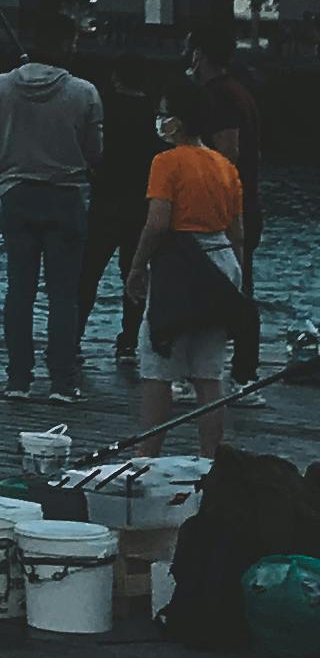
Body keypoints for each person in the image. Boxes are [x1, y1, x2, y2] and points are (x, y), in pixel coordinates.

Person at [0, 22, 105, 403]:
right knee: (63, 296)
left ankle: (18, 380)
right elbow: (95, 153)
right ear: (67, 46)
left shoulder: (1, 85)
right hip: (66, 199)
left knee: (19, 292)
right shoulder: (85, 92)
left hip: (17, 197)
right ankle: (61, 382)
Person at [129, 104, 247, 448]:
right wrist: (235, 286)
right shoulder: (225, 166)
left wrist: (137, 266)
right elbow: (238, 232)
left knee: (158, 366)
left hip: (179, 266)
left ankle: (147, 455)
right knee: (209, 372)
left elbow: (157, 223)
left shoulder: (166, 162)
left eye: (164, 112)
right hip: (222, 260)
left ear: (176, 122)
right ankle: (211, 458)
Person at [80, 54, 159, 369]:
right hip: (140, 205)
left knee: (88, 274)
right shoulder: (152, 113)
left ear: (116, 77)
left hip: (105, 202)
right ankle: (128, 341)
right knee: (134, 273)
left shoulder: (104, 108)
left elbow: (91, 149)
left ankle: (74, 336)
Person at [181, 22, 264, 287]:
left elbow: (228, 152)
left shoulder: (217, 96)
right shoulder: (239, 92)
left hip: (222, 214)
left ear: (198, 55)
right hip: (244, 206)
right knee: (236, 288)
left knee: (217, 289)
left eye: (188, 49)